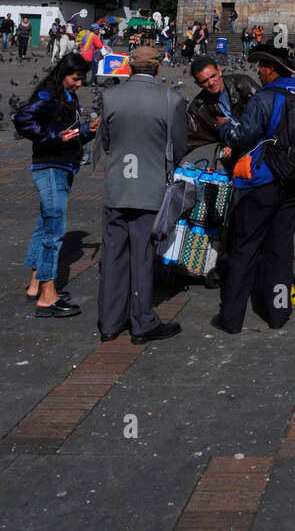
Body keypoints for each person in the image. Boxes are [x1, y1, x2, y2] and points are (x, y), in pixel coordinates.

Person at [213, 39, 295, 333]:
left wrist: (223, 126)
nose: (258, 72)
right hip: (294, 182)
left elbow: (242, 138)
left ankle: (231, 318)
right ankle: (278, 313)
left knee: (245, 249)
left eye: (262, 66)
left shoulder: (264, 98)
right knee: (280, 249)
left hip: (262, 183)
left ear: (272, 69)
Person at [98, 45, 188, 343]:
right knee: (142, 256)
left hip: (116, 188)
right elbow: (178, 145)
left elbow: (107, 141)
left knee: (112, 255)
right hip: (150, 190)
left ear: (129, 68)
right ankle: (142, 322)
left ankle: (110, 322)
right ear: (159, 68)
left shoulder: (109, 96)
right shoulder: (170, 99)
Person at [14, 52, 100, 317]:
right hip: (51, 167)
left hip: (61, 166)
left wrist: (86, 130)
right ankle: (47, 298)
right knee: (54, 231)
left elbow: (67, 132)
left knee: (43, 227)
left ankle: (34, 285)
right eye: (76, 78)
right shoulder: (49, 94)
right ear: (64, 74)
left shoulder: (65, 95)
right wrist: (52, 137)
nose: (79, 84)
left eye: (82, 79)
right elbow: (22, 119)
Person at [186, 55, 258, 153]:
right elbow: (186, 137)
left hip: (259, 145)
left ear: (219, 71)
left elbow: (264, 118)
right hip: (232, 154)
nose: (211, 83)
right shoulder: (198, 107)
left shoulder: (244, 85)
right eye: (205, 81)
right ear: (198, 84)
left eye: (213, 76)